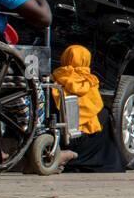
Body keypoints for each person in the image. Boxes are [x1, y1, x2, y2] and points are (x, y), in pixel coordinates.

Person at [53, 45, 126, 173]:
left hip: (63, 138)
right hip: (90, 144)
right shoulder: (90, 82)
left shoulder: (55, 80)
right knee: (103, 114)